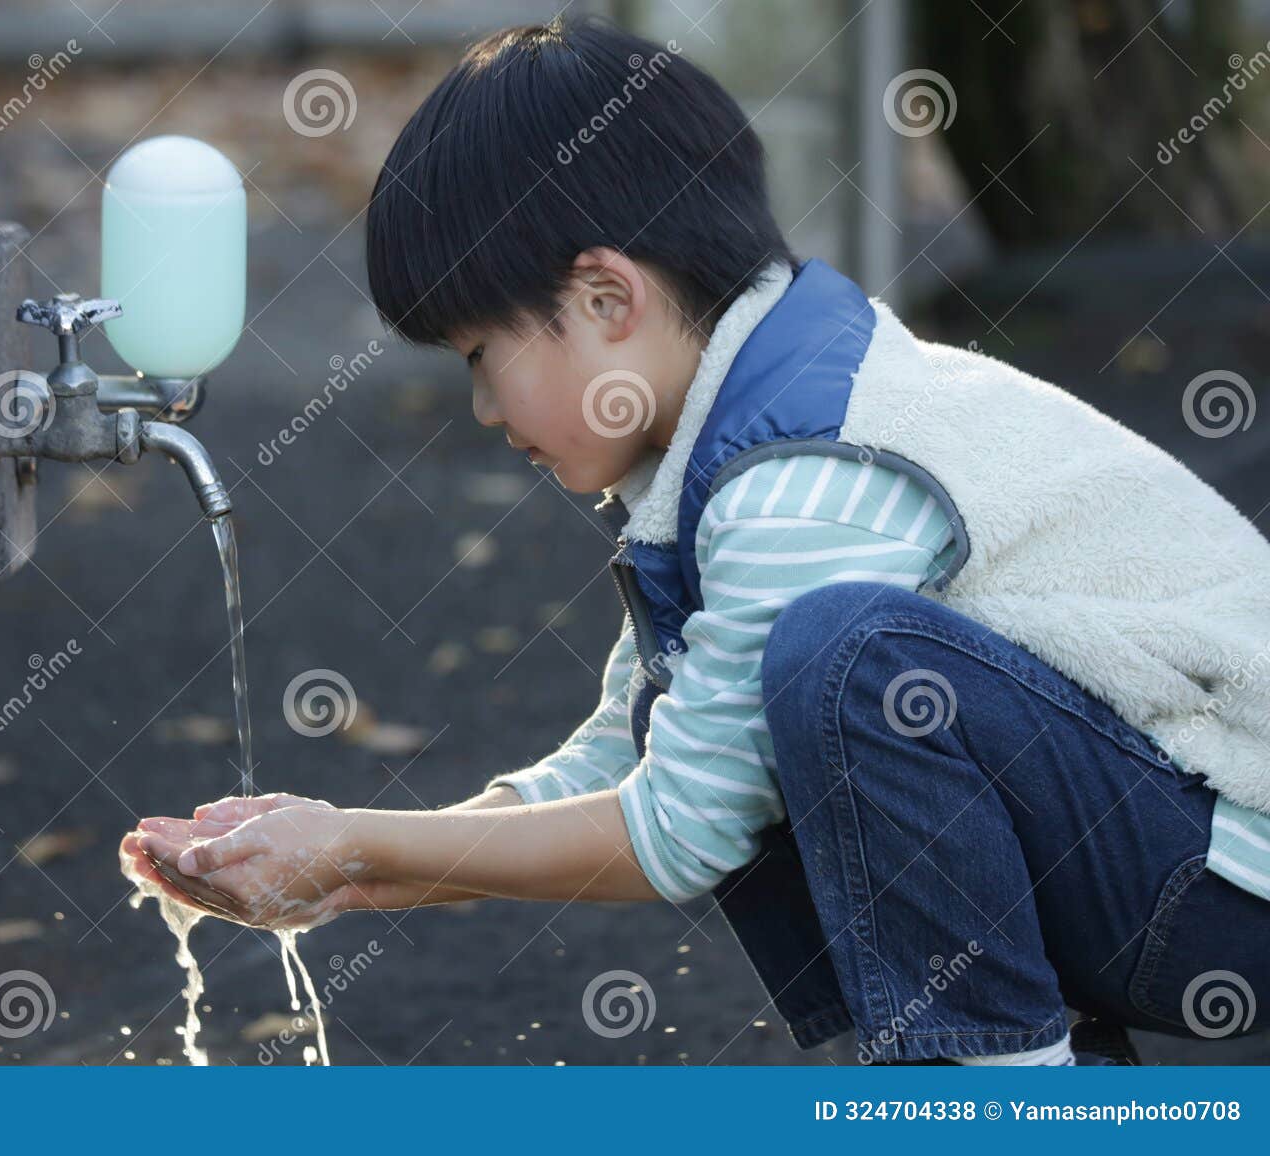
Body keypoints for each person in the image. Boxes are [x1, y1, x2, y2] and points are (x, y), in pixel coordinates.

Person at [125, 14, 1270, 1065]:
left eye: (481, 356)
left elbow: (673, 830)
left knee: (844, 665)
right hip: (1163, 847)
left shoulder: (801, 478)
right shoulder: (743, 430)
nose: (482, 410)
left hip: (1232, 877)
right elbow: (636, 761)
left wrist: (363, 846)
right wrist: (346, 870)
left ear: (607, 300)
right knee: (806, 688)